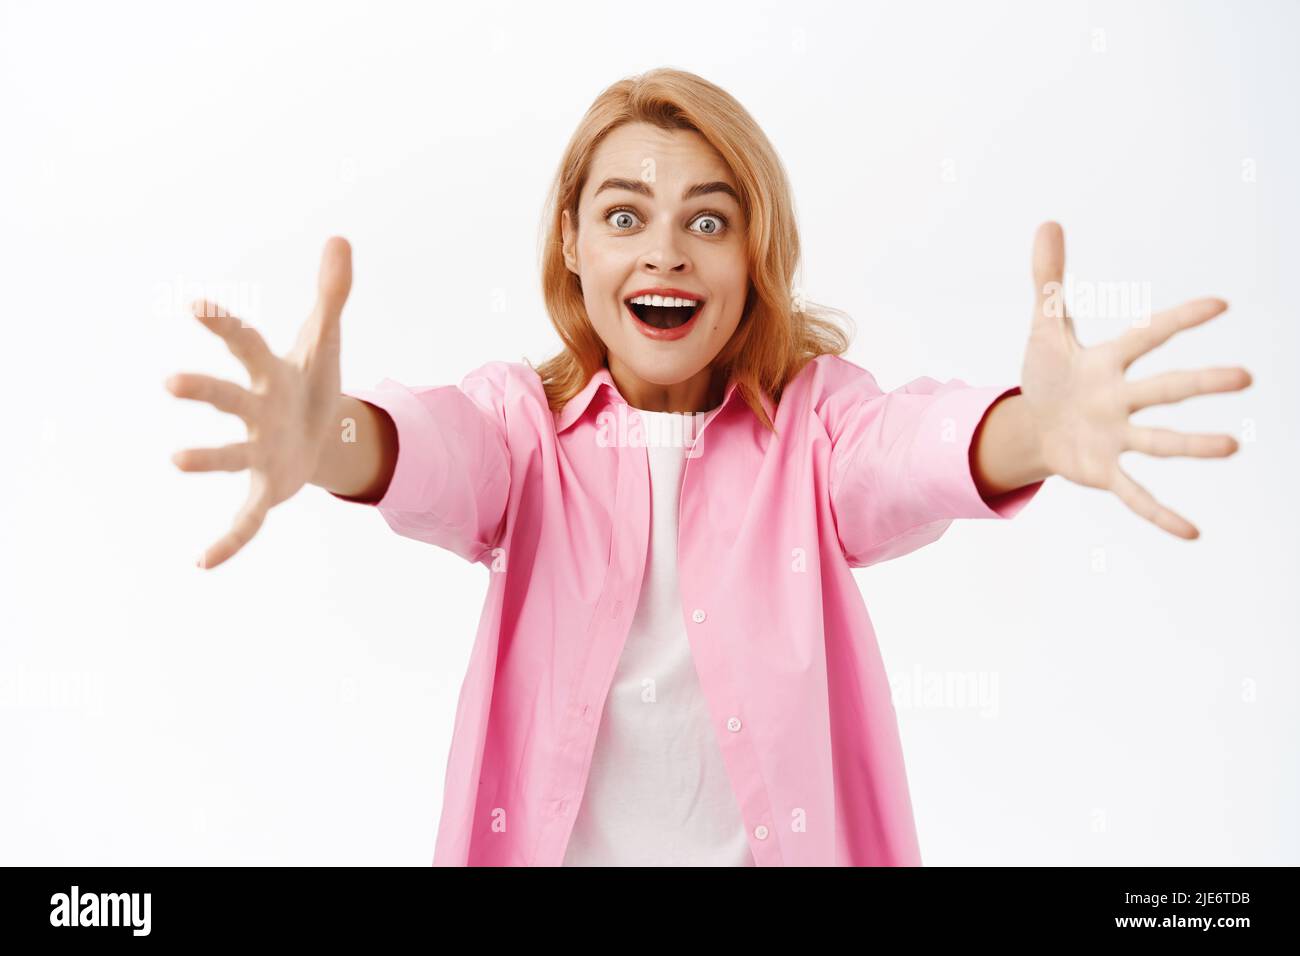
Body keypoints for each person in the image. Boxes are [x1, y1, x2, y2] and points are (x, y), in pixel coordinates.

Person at [164, 68, 1251, 866]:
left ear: (752, 255)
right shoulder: (522, 430)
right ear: (574, 246)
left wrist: (1029, 432)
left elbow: (912, 451)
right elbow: (431, 448)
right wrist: (334, 440)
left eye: (708, 221)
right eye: (625, 216)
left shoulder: (813, 430)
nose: (665, 252)